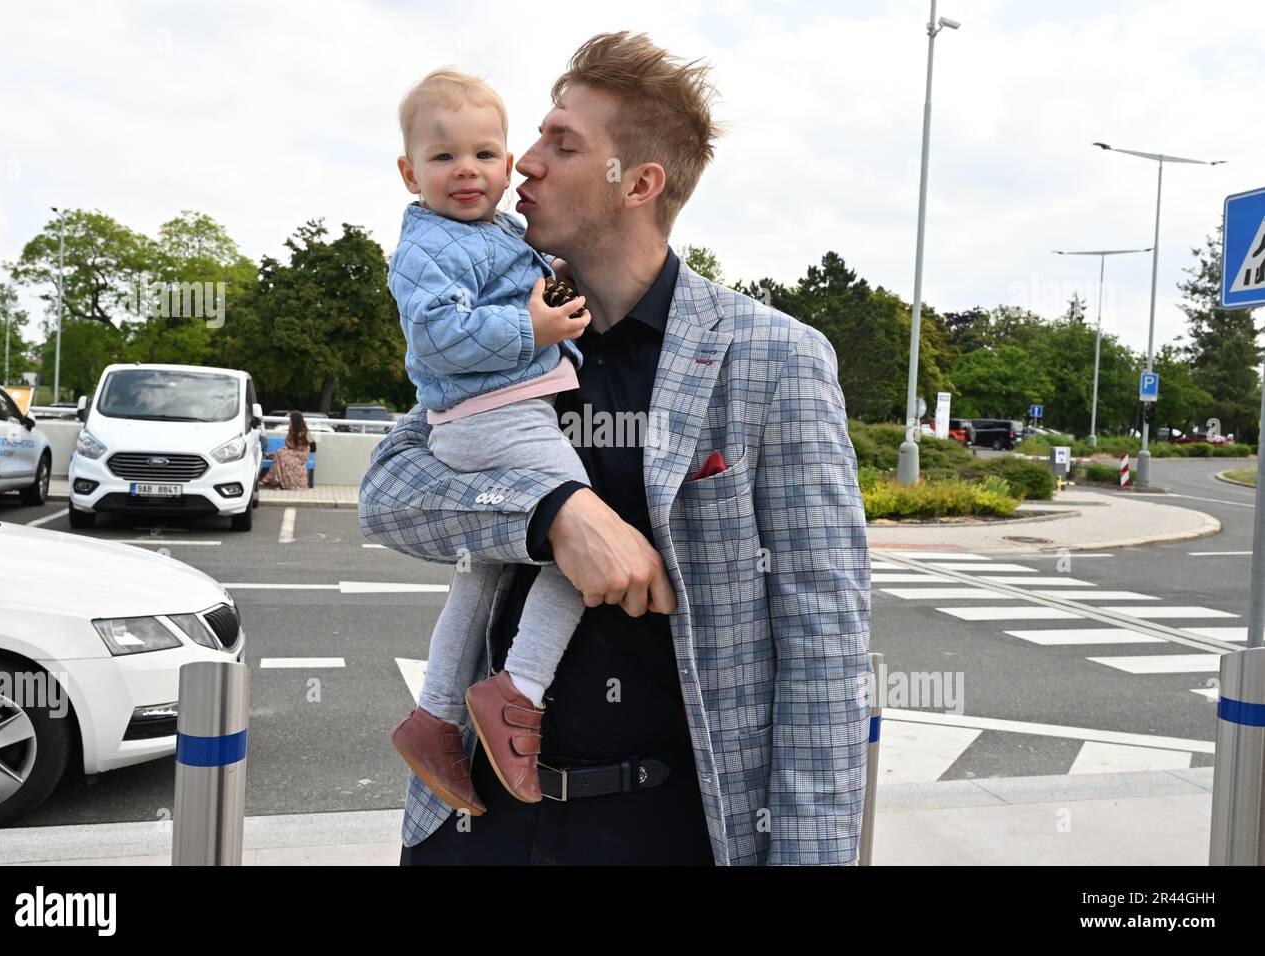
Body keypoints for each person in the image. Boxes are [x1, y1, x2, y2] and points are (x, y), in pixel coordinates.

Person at [360, 31, 872, 866]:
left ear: (638, 183)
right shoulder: (505, 317)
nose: (522, 161)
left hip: (662, 827)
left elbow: (824, 653)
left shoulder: (773, 357)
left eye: (562, 143)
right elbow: (390, 496)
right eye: (534, 136)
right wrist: (553, 514)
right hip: (471, 826)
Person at [384, 67, 598, 817]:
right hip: (495, 418)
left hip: (501, 415)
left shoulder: (496, 231)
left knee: (483, 565)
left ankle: (437, 715)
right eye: (443, 159)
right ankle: (519, 692)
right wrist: (531, 330)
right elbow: (436, 334)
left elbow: (518, 280)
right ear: (411, 173)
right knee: (587, 543)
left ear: (508, 166)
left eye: (484, 154)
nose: (466, 171)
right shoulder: (427, 246)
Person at [259, 411, 312, 491]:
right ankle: (269, 479)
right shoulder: (292, 430)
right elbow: (289, 445)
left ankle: (266, 479)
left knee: (279, 453)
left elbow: (313, 447)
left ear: (295, 420)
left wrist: (303, 445)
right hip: (293, 453)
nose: (290, 421)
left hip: (301, 455)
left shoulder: (306, 432)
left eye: (291, 419)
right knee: (279, 454)